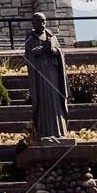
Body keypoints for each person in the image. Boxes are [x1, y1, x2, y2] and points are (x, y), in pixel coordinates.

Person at [24, 10, 68, 141]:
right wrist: (37, 52)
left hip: (53, 76)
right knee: (44, 104)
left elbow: (61, 53)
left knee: (56, 103)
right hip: (40, 78)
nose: (42, 23)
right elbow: (28, 56)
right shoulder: (30, 38)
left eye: (44, 21)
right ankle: (44, 133)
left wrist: (54, 51)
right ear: (33, 23)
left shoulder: (51, 36)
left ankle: (60, 132)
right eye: (39, 21)